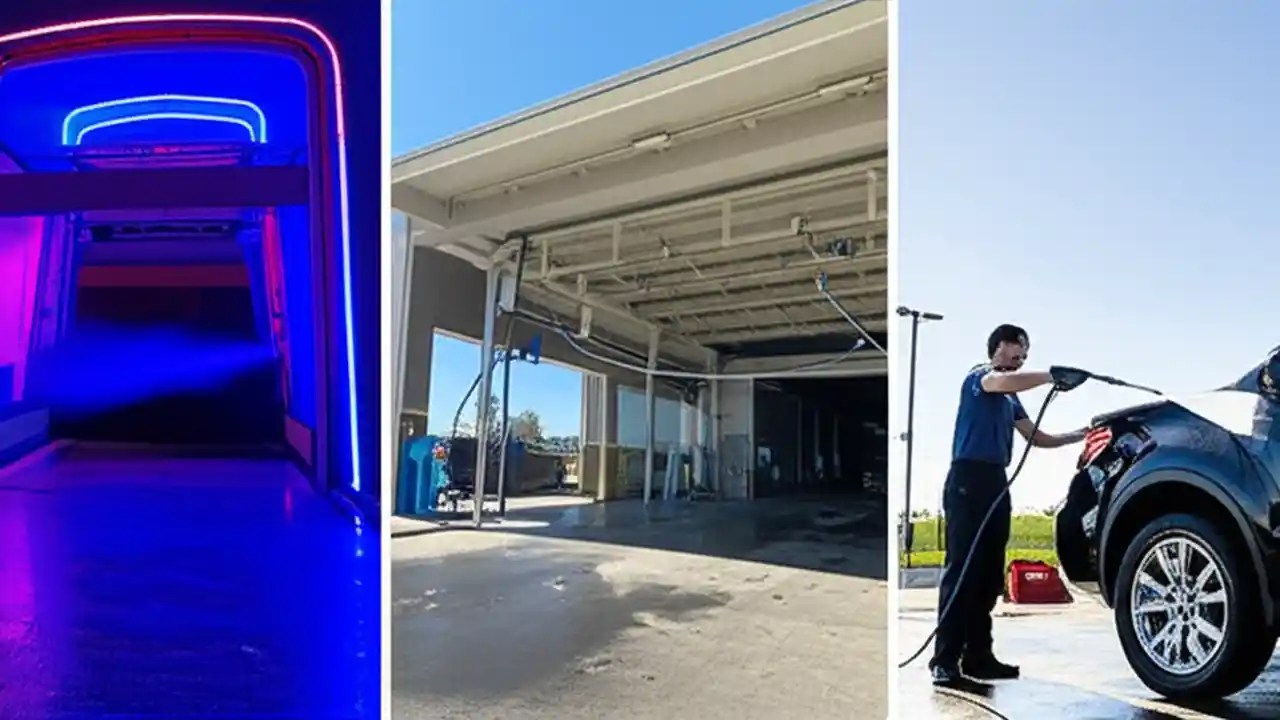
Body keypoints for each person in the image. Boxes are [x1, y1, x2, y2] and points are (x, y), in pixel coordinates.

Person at [930, 323, 1090, 690]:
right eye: (1016, 350)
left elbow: (1035, 436)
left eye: (1025, 354)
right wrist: (1051, 376)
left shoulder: (1011, 397)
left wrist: (1079, 435)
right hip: (968, 480)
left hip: (996, 484)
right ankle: (945, 660)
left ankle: (978, 657)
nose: (1021, 357)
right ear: (997, 347)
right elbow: (1001, 382)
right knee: (963, 570)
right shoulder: (980, 378)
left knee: (988, 574)